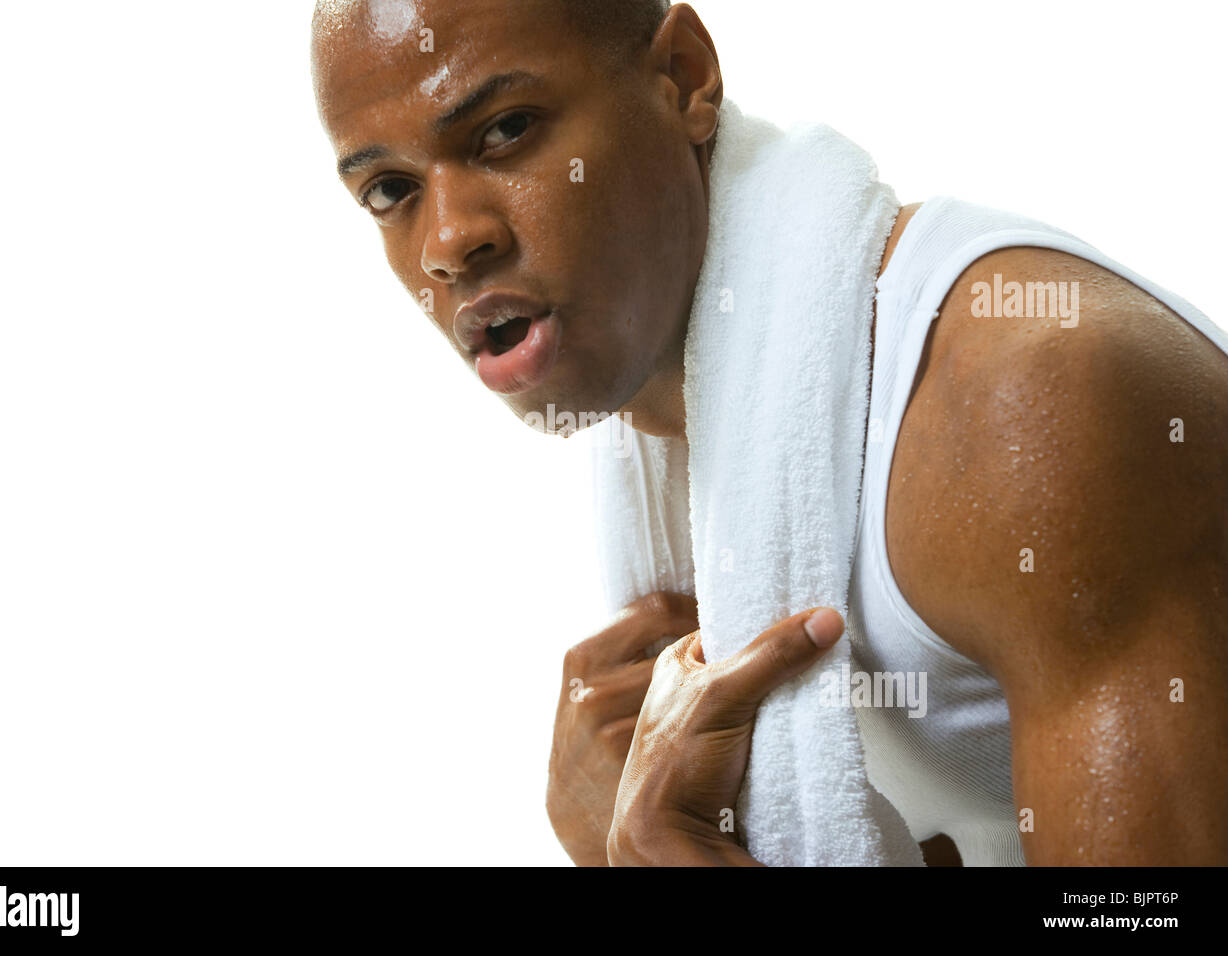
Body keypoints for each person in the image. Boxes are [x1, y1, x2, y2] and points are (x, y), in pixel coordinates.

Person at [310, 0, 1228, 865]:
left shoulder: (1025, 406)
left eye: (506, 130)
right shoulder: (695, 434)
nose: (448, 240)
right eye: (391, 189)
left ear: (683, 75)